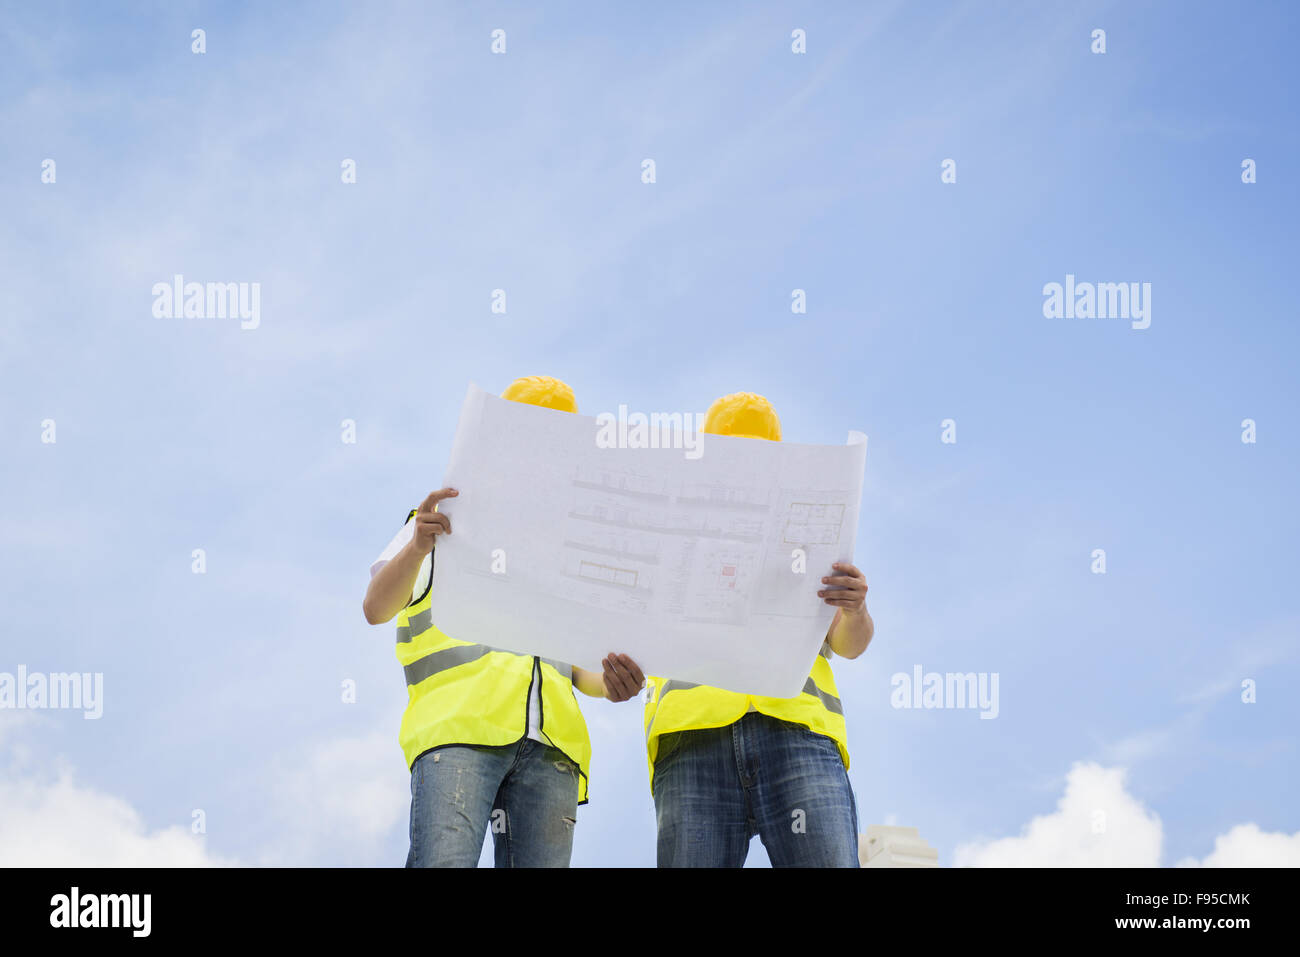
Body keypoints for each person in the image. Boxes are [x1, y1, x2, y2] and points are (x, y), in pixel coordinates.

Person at [363, 375, 644, 867]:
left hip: (552, 751)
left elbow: (579, 670)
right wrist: (417, 547)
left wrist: (614, 683)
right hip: (458, 735)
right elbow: (376, 608)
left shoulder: (569, 547)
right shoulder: (439, 522)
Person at [629, 391, 874, 867]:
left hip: (797, 729)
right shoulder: (664, 533)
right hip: (693, 735)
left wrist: (856, 609)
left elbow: (849, 644)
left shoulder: (808, 528)